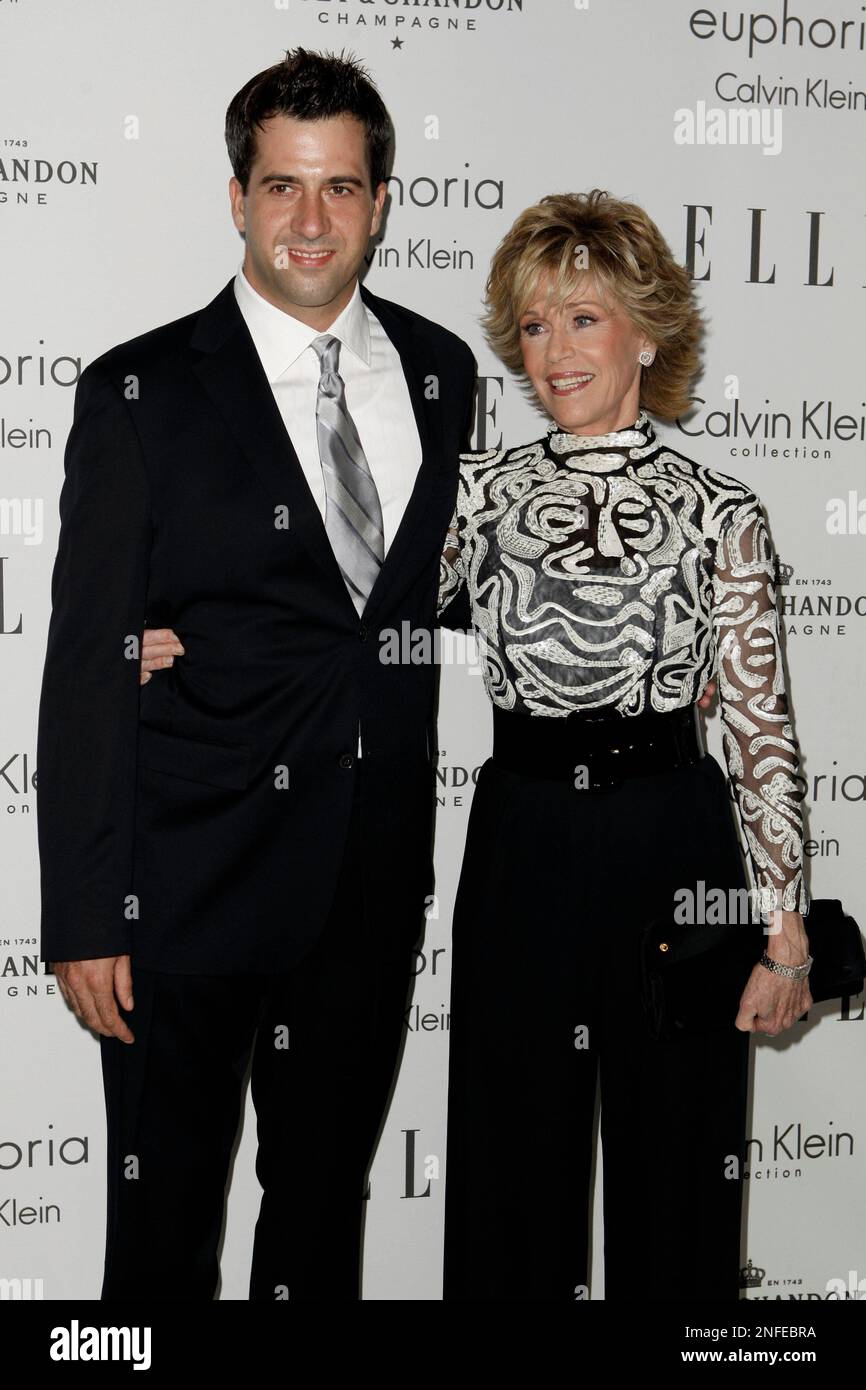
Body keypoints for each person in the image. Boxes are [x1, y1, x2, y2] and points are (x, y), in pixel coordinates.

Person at [35, 48, 476, 1301]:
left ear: (380, 203)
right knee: (163, 1227)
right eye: (282, 186)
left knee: (318, 1212)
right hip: (183, 878)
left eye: (339, 188)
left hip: (368, 877)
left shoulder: (443, 375)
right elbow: (85, 662)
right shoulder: (142, 388)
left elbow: (426, 599)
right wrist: (83, 909)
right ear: (237, 197)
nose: (309, 219)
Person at [435, 190, 811, 1301]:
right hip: (521, 834)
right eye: (537, 324)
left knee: (681, 1172)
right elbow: (345, 620)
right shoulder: (479, 495)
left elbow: (755, 720)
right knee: (509, 1177)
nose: (554, 352)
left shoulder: (716, 506)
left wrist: (783, 930)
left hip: (672, 848)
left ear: (645, 331)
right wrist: (189, 631)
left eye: (583, 319)